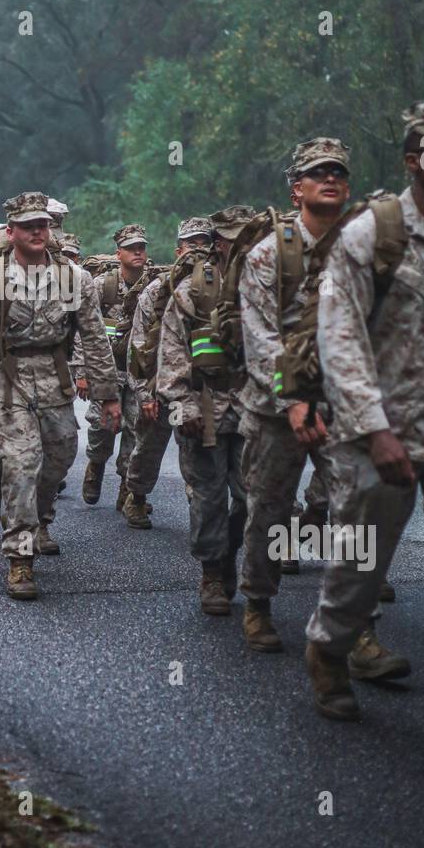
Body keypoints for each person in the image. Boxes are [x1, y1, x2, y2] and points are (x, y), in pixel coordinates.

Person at [305, 99, 424, 764]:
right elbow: (338, 340)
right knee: (360, 566)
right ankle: (329, 647)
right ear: (412, 159)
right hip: (382, 430)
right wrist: (373, 428)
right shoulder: (372, 235)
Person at [0, 192, 120, 599]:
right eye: (28, 226)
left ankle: (29, 511)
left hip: (53, 376)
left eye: (42, 225)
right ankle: (21, 559)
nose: (37, 231)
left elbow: (95, 338)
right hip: (4, 380)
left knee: (61, 453)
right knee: (22, 463)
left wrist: (107, 394)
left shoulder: (71, 278)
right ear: (10, 232)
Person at [238, 140, 351, 653]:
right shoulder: (269, 252)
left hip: (344, 403)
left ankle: (357, 619)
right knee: (270, 509)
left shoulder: (363, 247)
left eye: (338, 172)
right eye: (317, 172)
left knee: (357, 511)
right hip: (277, 406)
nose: (330, 178)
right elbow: (259, 338)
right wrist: (293, 398)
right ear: (296, 188)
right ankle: (259, 605)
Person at [157, 208, 256, 612]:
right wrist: (181, 404)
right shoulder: (193, 289)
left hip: (255, 408)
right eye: (235, 237)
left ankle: (229, 551)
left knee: (255, 498)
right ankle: (212, 572)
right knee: (208, 497)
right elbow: (172, 350)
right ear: (219, 244)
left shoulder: (271, 284)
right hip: (205, 409)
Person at [124, 218, 215, 527]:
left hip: (196, 389)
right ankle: (135, 495)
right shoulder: (157, 291)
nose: (199, 250)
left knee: (195, 454)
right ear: (179, 250)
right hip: (157, 385)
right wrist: (143, 394)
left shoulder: (220, 287)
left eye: (205, 243)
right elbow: (138, 347)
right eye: (192, 244)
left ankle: (199, 511)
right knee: (148, 450)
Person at [81, 225, 154, 509]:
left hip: (140, 373)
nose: (138, 252)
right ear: (118, 253)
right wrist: (83, 372)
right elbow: (83, 329)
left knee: (137, 431)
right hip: (106, 370)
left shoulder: (154, 287)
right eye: (132, 247)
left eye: (142, 247)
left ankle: (128, 490)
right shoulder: (102, 285)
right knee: (102, 429)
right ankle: (96, 466)